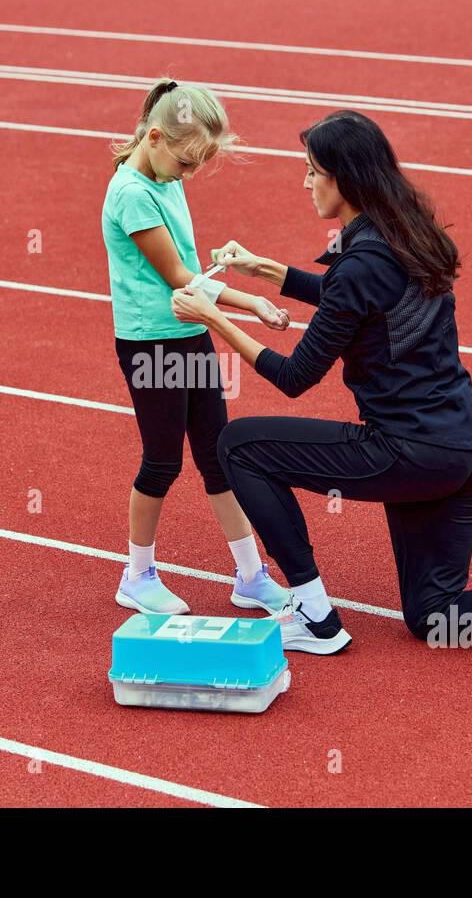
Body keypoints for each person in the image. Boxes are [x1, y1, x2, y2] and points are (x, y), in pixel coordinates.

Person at [170, 110, 472, 677]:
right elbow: (349, 297)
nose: (305, 183)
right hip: (468, 450)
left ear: (344, 180)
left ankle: (314, 613)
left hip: (408, 451)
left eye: (311, 172)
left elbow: (295, 377)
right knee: (432, 616)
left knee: (239, 445)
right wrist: (266, 270)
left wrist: (213, 317)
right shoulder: (406, 232)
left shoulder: (362, 263)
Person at [102, 78, 294, 616]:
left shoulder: (165, 176)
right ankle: (137, 575)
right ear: (156, 137)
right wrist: (251, 302)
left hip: (190, 332)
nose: (190, 175)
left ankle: (250, 577)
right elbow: (179, 277)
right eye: (187, 164)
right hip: (152, 345)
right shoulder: (132, 195)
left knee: (220, 457)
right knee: (162, 462)